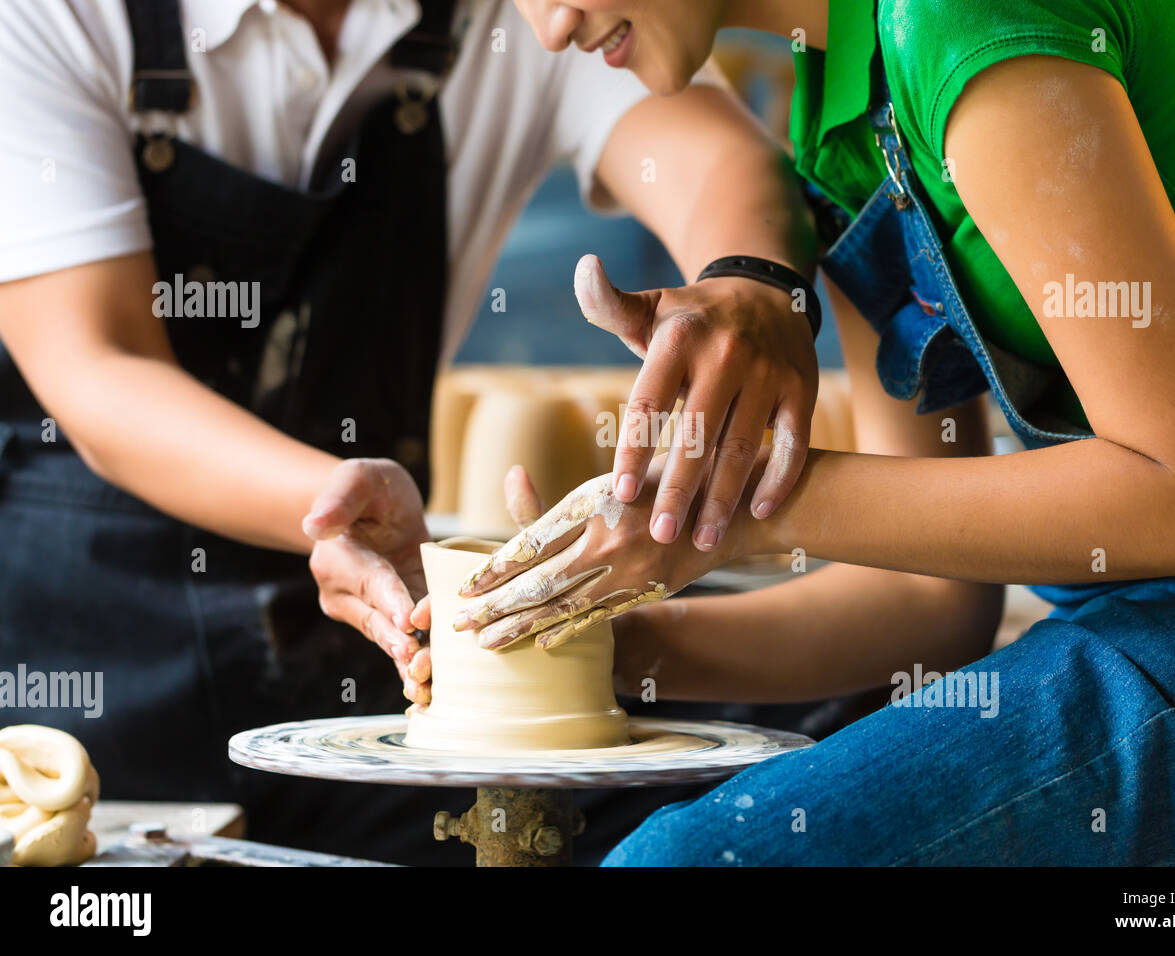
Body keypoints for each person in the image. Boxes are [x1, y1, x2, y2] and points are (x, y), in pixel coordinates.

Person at [472, 0, 1175, 863]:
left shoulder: (959, 18)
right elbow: (930, 602)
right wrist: (600, 646)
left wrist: (749, 505)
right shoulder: (834, 118)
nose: (551, 28)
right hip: (1147, 601)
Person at [0, 0, 825, 864]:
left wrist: (747, 287)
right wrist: (330, 503)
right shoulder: (56, 15)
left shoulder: (528, 13)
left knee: (804, 764)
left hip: (379, 680)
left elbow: (723, 161)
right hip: (95, 699)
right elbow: (100, 365)